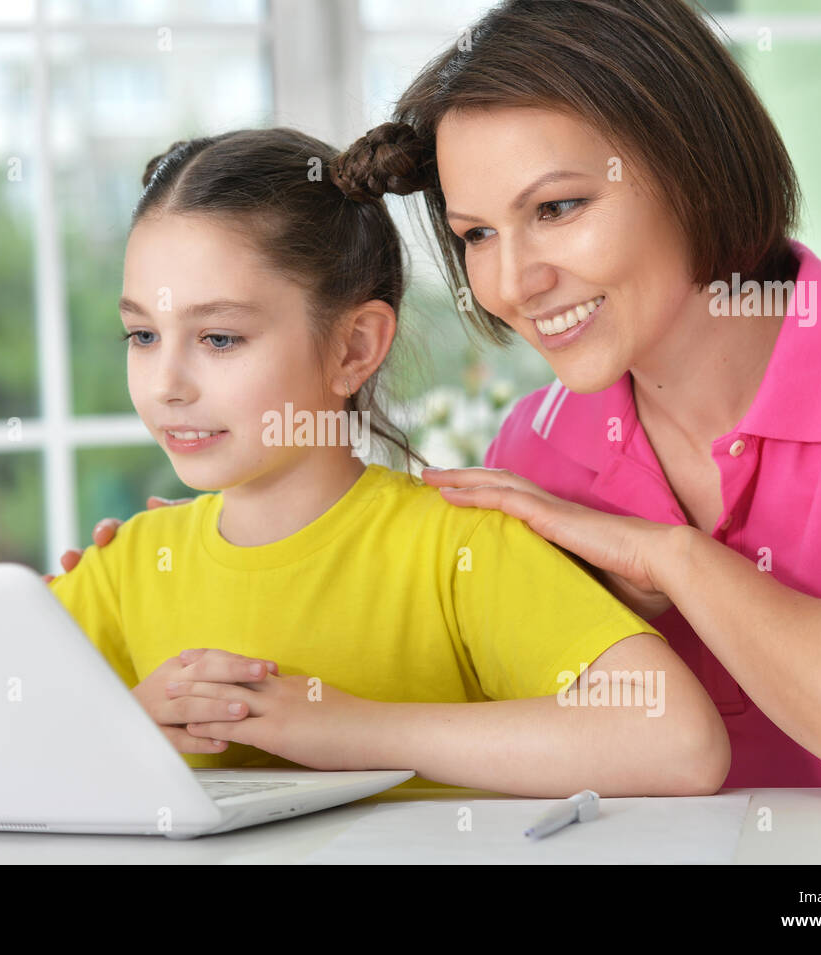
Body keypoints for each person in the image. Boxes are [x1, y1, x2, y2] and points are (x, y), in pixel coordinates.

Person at [65, 0, 821, 811]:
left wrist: (670, 558)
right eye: (476, 235)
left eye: (560, 207)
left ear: (698, 163)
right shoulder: (539, 454)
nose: (513, 280)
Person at [45, 124, 730, 796]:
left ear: (354, 348)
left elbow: (679, 741)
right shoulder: (123, 569)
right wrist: (119, 728)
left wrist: (353, 730)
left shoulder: (461, 546)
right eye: (141, 334)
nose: (166, 383)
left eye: (219, 338)